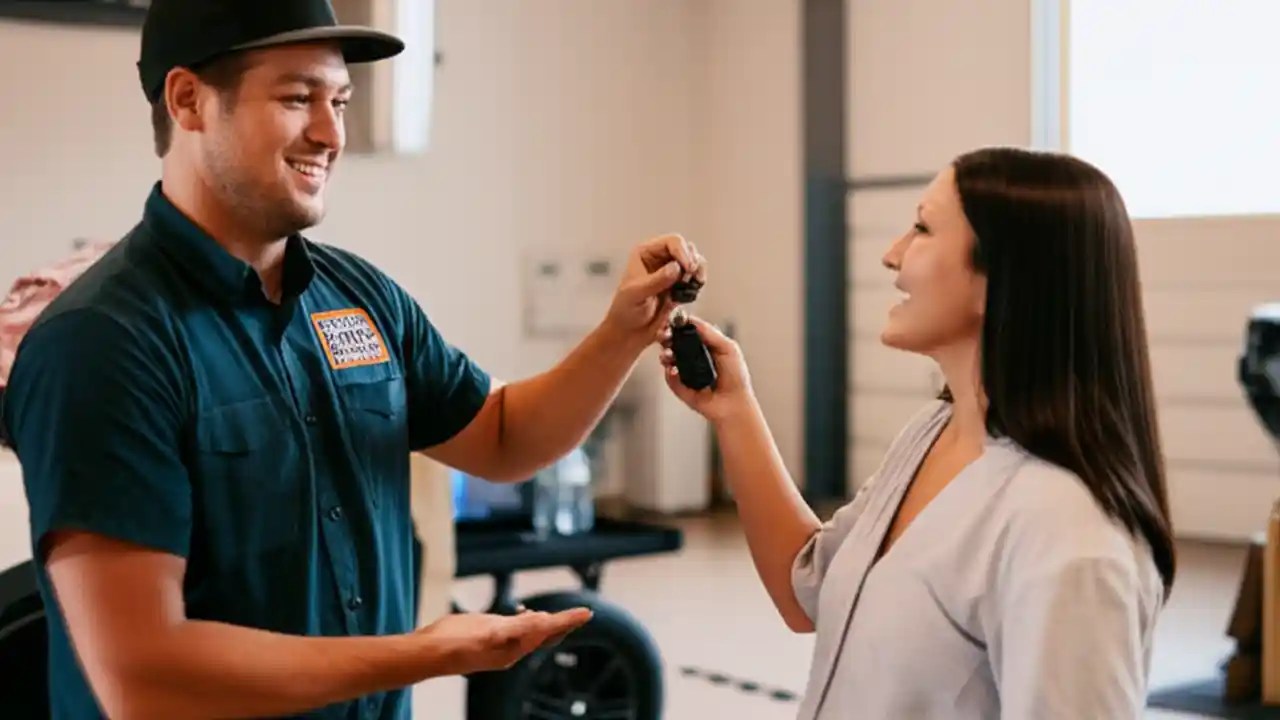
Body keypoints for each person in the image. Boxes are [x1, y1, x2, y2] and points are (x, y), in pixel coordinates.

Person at [0, 1, 705, 718]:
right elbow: (145, 676)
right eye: (297, 97)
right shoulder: (103, 342)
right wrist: (430, 651)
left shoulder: (360, 300)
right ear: (188, 100)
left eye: (338, 100)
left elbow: (500, 433)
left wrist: (621, 332)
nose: (331, 132)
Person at [661, 146, 1175, 719]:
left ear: (999, 277)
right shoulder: (935, 432)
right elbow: (807, 592)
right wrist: (734, 409)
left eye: (922, 229)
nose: (891, 255)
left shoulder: (1070, 534)